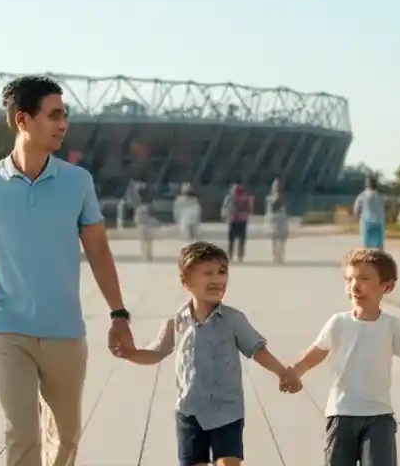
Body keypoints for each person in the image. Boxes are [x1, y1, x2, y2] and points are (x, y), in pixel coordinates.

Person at [0, 75, 134, 466]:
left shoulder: (77, 182)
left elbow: (98, 249)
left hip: (64, 330)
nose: (63, 124)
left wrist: (118, 313)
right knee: (22, 434)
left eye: (65, 115)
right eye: (54, 115)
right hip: (8, 331)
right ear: (22, 121)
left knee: (66, 438)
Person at [120, 241, 301, 466]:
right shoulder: (177, 322)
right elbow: (156, 352)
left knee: (228, 463)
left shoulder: (234, 319)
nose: (217, 279)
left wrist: (283, 372)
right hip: (189, 412)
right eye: (208, 273)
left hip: (227, 411)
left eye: (222, 272)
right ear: (186, 281)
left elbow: (257, 350)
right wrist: (130, 353)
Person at [290, 248, 400, 465]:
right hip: (342, 414)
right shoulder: (338, 323)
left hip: (379, 416)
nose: (354, 286)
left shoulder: (391, 325)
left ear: (387, 286)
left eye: (364, 279)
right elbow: (315, 354)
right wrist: (294, 372)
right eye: (349, 279)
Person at [353, 176, 388, 250]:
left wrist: (357, 217)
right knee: (379, 245)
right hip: (378, 222)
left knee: (366, 245)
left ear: (366, 184)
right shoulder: (381, 196)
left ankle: (368, 259)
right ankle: (379, 259)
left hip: (367, 222)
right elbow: (387, 207)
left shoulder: (361, 196)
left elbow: (356, 210)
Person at [221, 184, 253, 263]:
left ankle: (236, 255)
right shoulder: (241, 197)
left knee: (235, 239)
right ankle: (236, 255)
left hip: (237, 220)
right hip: (238, 220)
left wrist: (224, 215)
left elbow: (225, 207)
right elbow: (225, 207)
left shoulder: (240, 197)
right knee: (237, 239)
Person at [266, 176, 290, 264]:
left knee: (281, 240)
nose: (277, 187)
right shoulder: (270, 198)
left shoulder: (283, 197)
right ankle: (276, 256)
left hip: (282, 220)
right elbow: (269, 210)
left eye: (278, 185)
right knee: (275, 240)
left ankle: (281, 256)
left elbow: (285, 209)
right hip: (274, 220)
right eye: (275, 185)